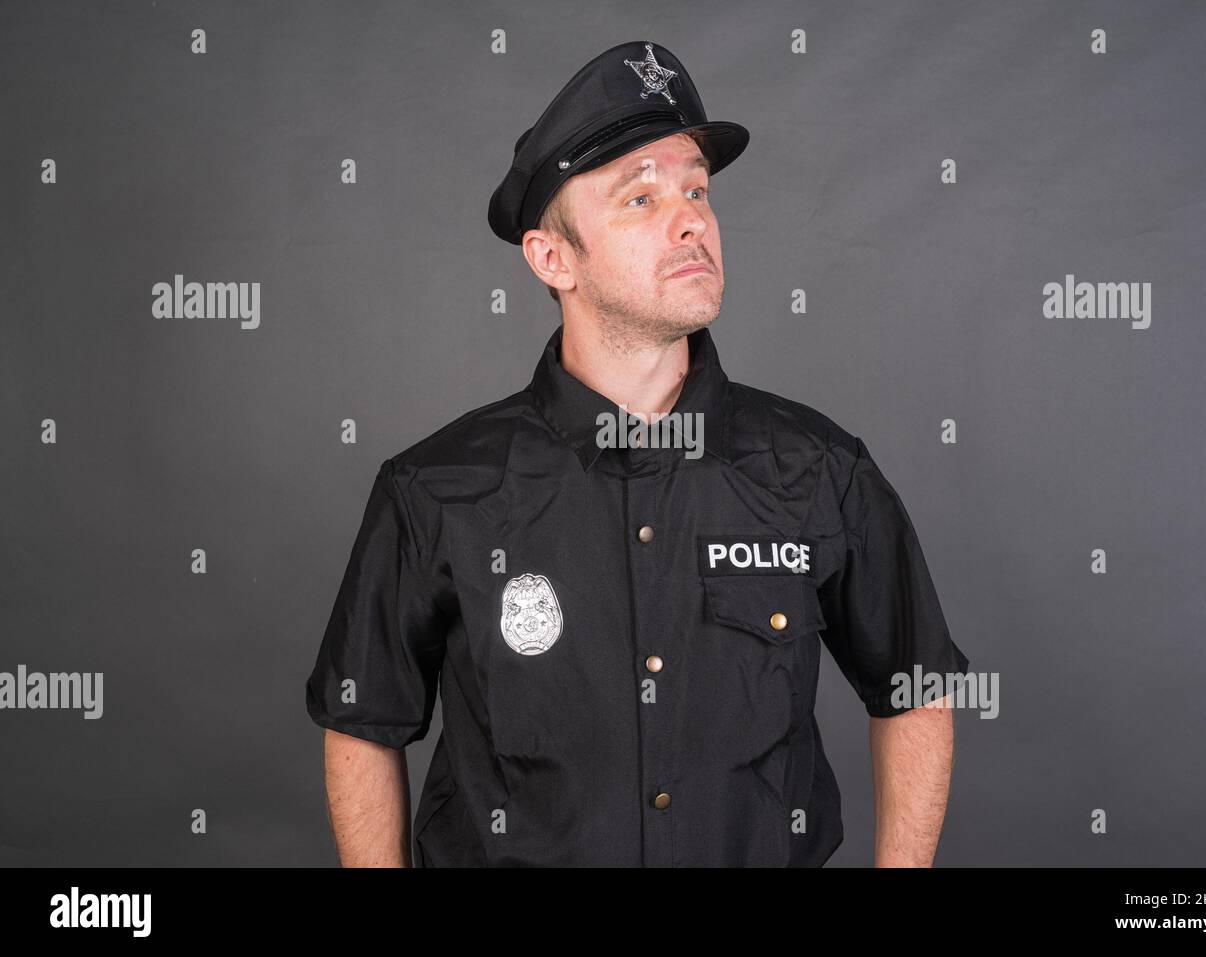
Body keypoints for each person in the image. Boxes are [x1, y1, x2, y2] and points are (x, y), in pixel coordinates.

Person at [305, 40, 970, 867]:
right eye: (640, 197)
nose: (692, 216)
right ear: (553, 257)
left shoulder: (820, 470)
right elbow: (363, 720)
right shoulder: (437, 491)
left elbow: (915, 686)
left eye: (696, 188)